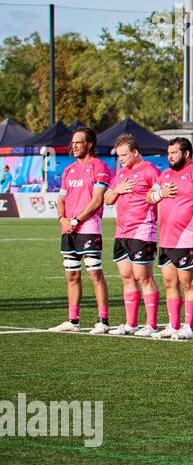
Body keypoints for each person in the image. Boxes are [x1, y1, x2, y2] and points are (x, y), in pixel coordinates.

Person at [149, 137, 193, 341]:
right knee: (169, 283)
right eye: (168, 153)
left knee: (189, 283)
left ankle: (190, 327)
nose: (170, 157)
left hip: (188, 238)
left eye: (174, 153)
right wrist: (159, 194)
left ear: (186, 153)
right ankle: (173, 325)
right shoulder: (165, 174)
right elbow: (149, 196)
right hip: (166, 239)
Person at [49, 127, 112, 334]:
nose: (74, 146)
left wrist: (76, 220)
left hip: (88, 228)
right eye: (73, 142)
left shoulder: (99, 167)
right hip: (68, 229)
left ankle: (102, 320)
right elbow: (61, 199)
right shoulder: (68, 170)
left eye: (78, 142)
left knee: (94, 273)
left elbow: (96, 200)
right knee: (71, 275)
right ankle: (73, 320)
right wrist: (62, 219)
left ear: (89, 144)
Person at [103, 134, 161, 337]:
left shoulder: (150, 170)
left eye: (124, 154)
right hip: (121, 232)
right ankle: (131, 323)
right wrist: (117, 189)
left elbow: (159, 195)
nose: (121, 158)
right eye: (118, 155)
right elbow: (108, 199)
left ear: (135, 152)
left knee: (143, 277)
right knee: (127, 277)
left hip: (142, 230)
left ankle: (151, 324)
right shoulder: (120, 175)